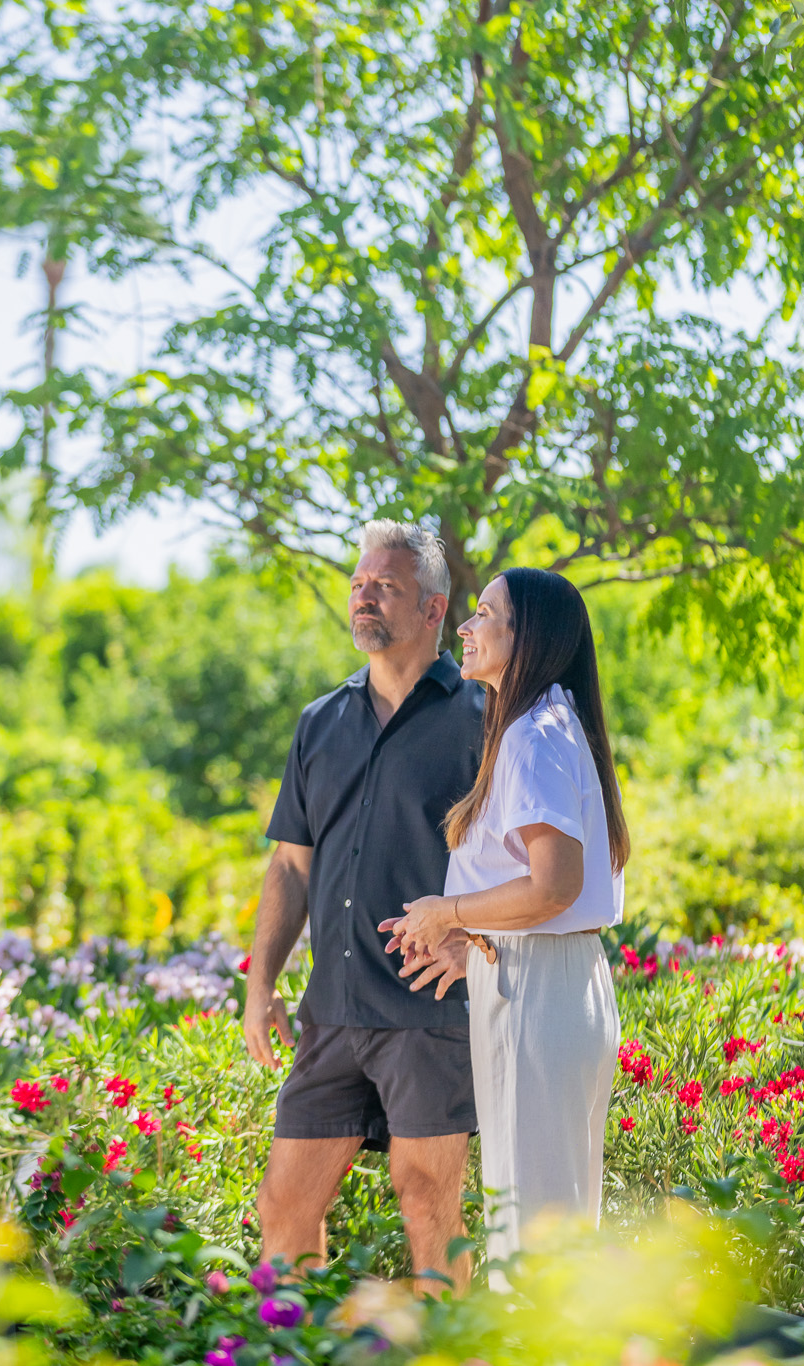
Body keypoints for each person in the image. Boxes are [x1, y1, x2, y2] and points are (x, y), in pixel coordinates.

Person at [242, 520, 486, 1291]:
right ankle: (293, 1345)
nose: (364, 597)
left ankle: (451, 1354)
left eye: (385, 585)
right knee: (283, 1205)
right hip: (333, 1012)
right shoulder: (321, 722)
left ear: (433, 609)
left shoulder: (482, 719)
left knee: (426, 1201)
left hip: (426, 1010)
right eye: (357, 584)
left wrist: (473, 936)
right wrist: (260, 986)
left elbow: (524, 863)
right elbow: (290, 867)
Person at [379, 567, 629, 1266]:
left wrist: (447, 912)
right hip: (552, 979)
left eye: (484, 613)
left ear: (529, 638)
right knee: (555, 1220)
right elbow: (547, 894)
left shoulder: (532, 733)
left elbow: (553, 885)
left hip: (537, 992)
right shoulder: (547, 723)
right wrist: (474, 939)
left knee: (530, 1234)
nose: (464, 626)